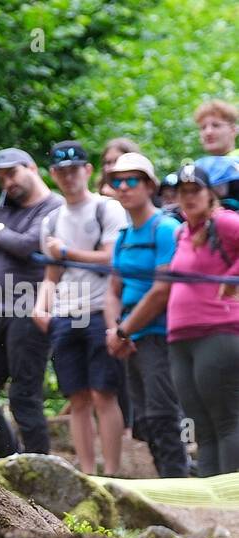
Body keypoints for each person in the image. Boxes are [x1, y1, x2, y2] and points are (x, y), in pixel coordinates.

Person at [31, 140, 127, 475]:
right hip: (64, 313)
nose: (69, 177)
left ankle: (113, 472)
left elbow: (112, 258)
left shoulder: (107, 208)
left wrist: (67, 252)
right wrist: (40, 307)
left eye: (75, 170)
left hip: (100, 309)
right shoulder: (52, 220)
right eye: (62, 171)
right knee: (78, 397)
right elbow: (51, 273)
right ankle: (87, 473)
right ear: (54, 174)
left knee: (104, 393)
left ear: (87, 170)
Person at [0, 148, 64, 458]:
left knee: (24, 396)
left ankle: (41, 469)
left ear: (31, 168)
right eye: (1, 178)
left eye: (12, 173)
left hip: (31, 310)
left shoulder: (55, 208)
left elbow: (27, 244)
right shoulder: (5, 208)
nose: (7, 182)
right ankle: (14, 461)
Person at [103, 153, 189, 478]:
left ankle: (179, 485)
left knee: (163, 414)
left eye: (132, 180)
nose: (123, 187)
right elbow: (113, 289)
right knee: (144, 420)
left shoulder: (165, 229)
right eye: (117, 181)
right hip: (129, 337)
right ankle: (168, 485)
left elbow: (161, 290)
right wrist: (115, 330)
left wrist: (122, 331)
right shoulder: (123, 236)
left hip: (157, 334)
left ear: (149, 184)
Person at [164, 162, 239, 477]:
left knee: (226, 419)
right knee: (199, 426)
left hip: (218, 333)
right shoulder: (182, 232)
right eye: (183, 191)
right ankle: (210, 505)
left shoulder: (224, 223)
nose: (189, 197)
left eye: (196, 190)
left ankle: (232, 503)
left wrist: (233, 278)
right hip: (180, 338)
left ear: (210, 194)